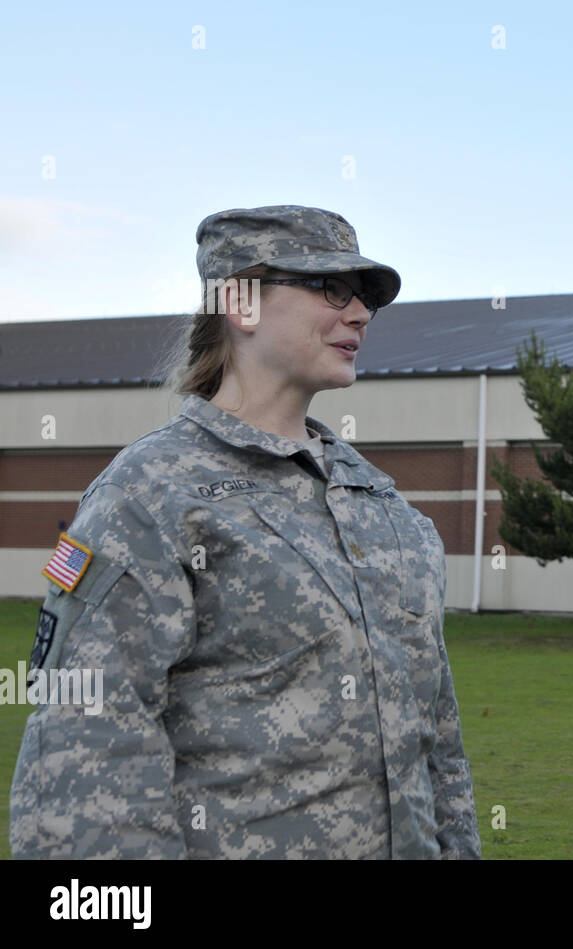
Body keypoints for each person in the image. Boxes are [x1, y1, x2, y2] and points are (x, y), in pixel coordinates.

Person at [9, 205, 481, 859]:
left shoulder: (387, 510)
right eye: (331, 288)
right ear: (239, 301)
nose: (360, 313)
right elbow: (85, 764)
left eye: (366, 296)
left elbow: (441, 743)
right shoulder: (148, 497)